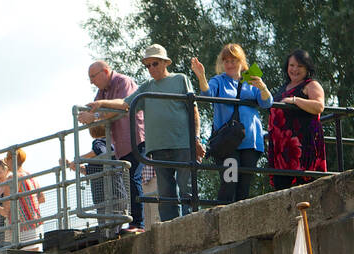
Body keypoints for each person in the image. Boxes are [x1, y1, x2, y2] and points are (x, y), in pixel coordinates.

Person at [83, 45, 203, 222]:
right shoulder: (146, 86)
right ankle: (170, 227)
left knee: (186, 188)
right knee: (166, 193)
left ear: (164, 62)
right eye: (147, 65)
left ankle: (193, 222)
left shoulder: (180, 80)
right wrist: (101, 104)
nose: (151, 68)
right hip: (159, 146)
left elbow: (194, 110)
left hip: (182, 143)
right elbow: (125, 103)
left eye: (155, 63)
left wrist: (196, 138)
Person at [191, 44, 274, 205]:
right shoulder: (219, 80)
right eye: (226, 61)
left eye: (233, 60)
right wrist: (201, 76)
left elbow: (267, 103)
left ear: (241, 61)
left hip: (251, 142)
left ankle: (241, 225)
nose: (229, 64)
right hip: (227, 142)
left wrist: (263, 87)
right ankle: (220, 220)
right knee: (229, 182)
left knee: (244, 187)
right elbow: (207, 94)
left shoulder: (251, 78)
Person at [84, 60, 145, 232]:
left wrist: (94, 116)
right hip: (120, 143)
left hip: (134, 138)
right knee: (129, 181)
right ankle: (134, 222)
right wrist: (87, 115)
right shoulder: (102, 92)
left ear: (104, 71)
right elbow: (96, 111)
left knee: (133, 179)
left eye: (93, 77)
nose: (91, 81)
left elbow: (123, 107)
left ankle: (138, 224)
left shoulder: (123, 82)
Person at [269, 49, 327, 189]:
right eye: (292, 65)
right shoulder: (282, 88)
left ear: (307, 68)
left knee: (305, 189)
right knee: (281, 190)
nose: (295, 69)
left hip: (303, 147)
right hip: (281, 150)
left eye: (300, 66)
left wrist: (295, 100)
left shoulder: (311, 85)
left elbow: (319, 106)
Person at [0, 149, 43, 249]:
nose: (6, 162)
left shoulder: (12, 179)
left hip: (20, 231)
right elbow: (42, 198)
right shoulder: (31, 176)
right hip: (35, 227)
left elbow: (6, 211)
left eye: (7, 159)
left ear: (11, 160)